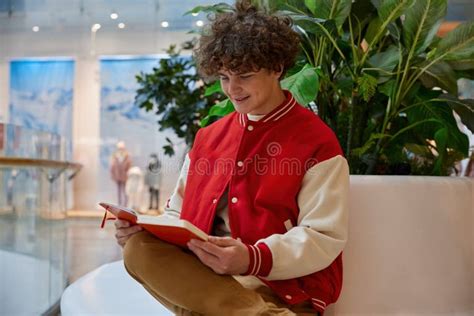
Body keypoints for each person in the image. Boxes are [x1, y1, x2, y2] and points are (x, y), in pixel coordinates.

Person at [114, 1, 349, 315]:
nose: (232, 89)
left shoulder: (316, 141)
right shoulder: (208, 138)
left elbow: (324, 236)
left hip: (279, 290)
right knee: (137, 250)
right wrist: (146, 229)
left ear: (277, 67)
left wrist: (252, 257)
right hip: (211, 280)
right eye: (224, 77)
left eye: (245, 76)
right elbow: (178, 214)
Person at [110, 141, 132, 206]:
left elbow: (129, 165)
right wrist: (112, 174)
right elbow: (112, 166)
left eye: (122, 148)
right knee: (118, 191)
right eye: (119, 148)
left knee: (125, 190)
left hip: (125, 175)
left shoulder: (127, 155)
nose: (121, 149)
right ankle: (119, 204)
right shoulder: (115, 155)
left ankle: (126, 204)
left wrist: (128, 172)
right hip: (117, 175)